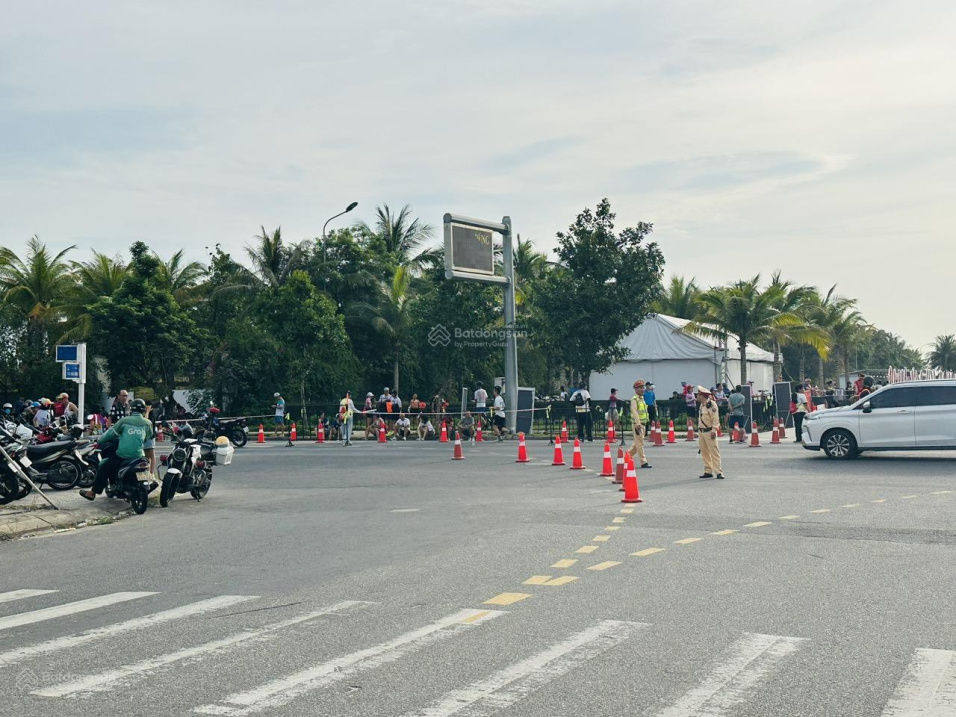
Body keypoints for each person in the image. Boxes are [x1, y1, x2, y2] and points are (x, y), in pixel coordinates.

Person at [79, 398, 154, 501]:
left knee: (104, 467)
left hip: (123, 455)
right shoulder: (148, 423)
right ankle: (149, 482)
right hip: (139, 456)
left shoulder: (124, 421)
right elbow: (149, 436)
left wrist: (99, 440)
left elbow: (110, 433)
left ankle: (93, 493)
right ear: (143, 410)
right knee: (145, 465)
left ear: (131, 410)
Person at [696, 386, 724, 479]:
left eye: (698, 394)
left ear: (702, 396)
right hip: (701, 431)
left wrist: (714, 430)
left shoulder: (712, 405)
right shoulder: (702, 405)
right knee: (704, 452)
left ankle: (719, 472)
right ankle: (708, 470)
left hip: (709, 431)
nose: (697, 396)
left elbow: (715, 419)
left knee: (714, 452)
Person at [627, 380, 652, 469]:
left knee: (637, 443)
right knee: (640, 444)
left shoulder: (642, 399)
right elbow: (634, 412)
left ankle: (626, 457)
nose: (643, 389)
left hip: (643, 424)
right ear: (636, 389)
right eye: (641, 388)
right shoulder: (634, 399)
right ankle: (643, 462)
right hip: (638, 424)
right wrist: (637, 424)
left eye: (643, 387)